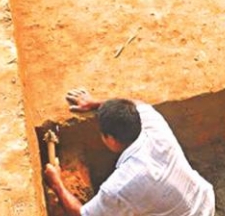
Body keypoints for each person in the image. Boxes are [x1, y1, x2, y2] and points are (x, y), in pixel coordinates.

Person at [44, 88, 215, 216]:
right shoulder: (154, 124)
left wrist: (57, 184)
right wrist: (96, 103)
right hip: (205, 204)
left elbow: (82, 215)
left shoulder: (120, 187)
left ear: (110, 139)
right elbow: (136, 104)